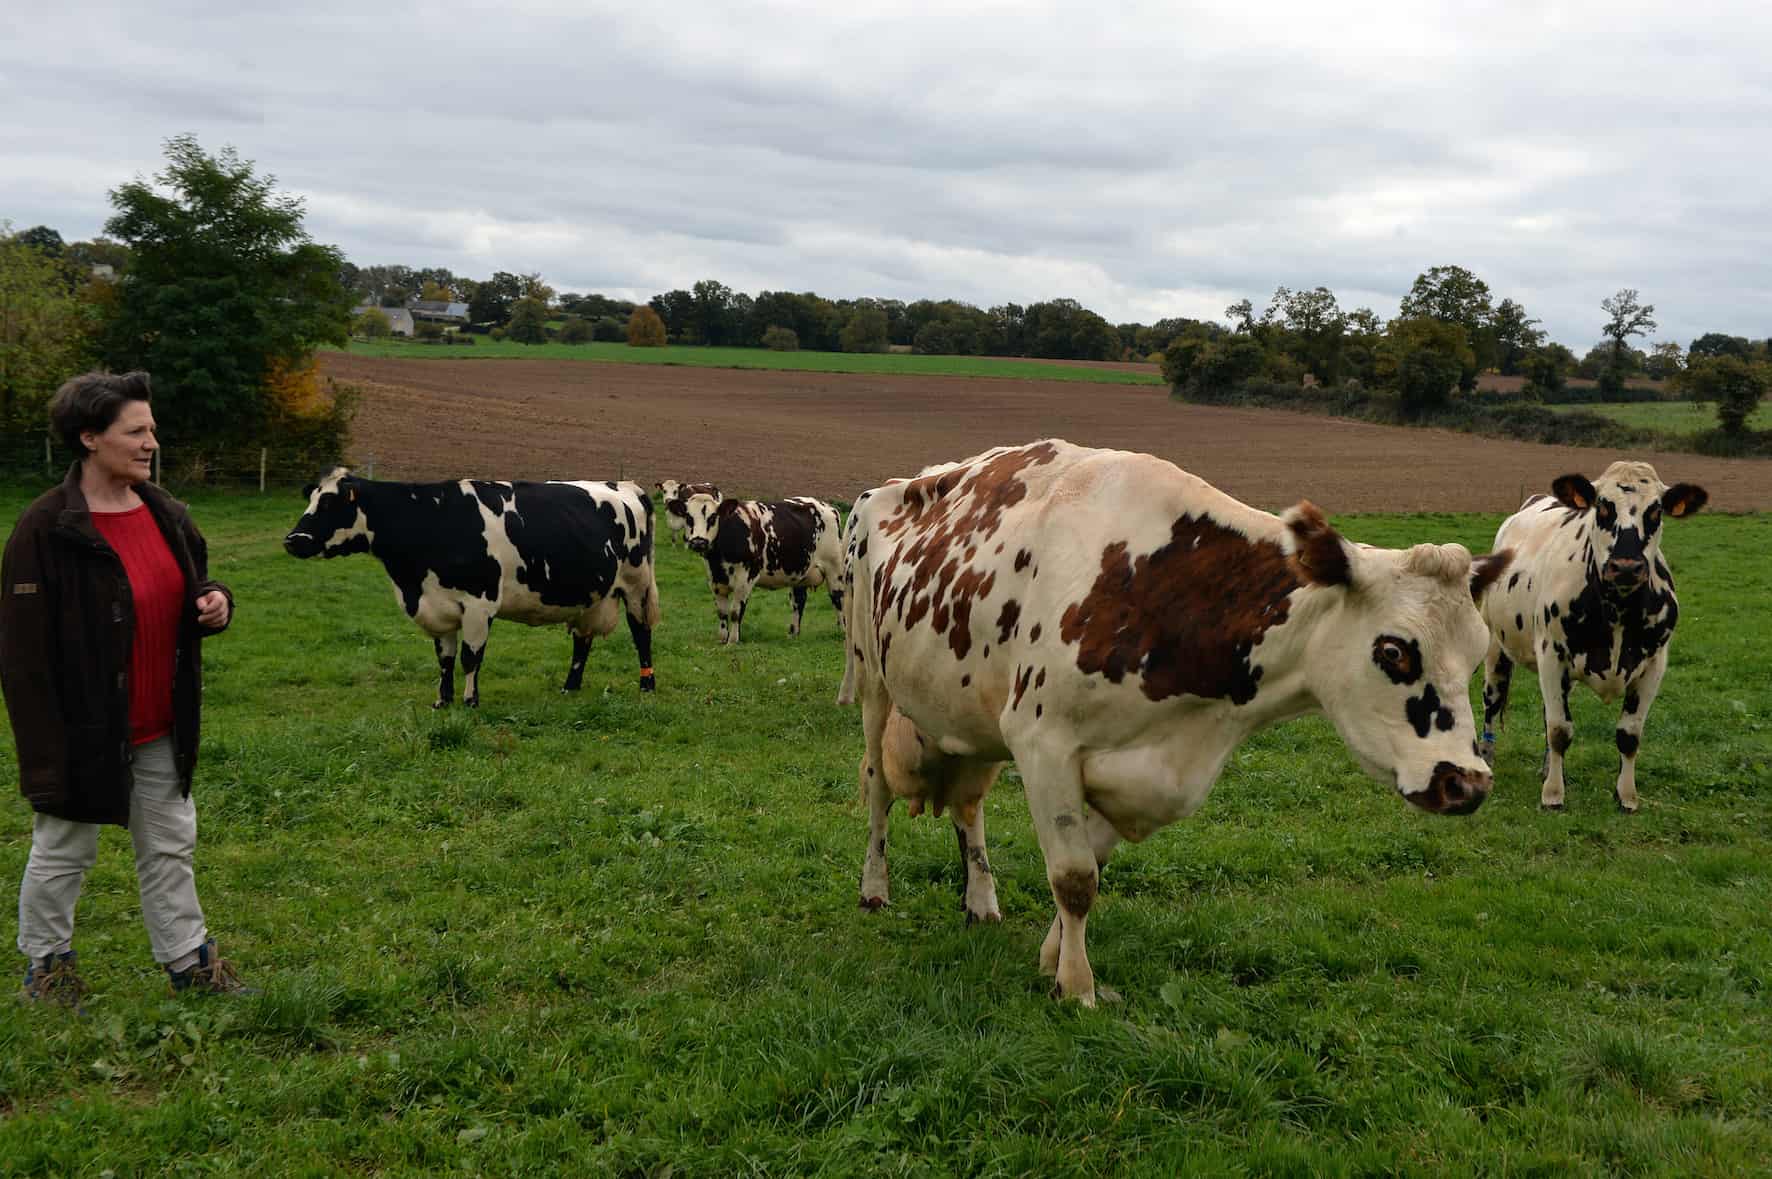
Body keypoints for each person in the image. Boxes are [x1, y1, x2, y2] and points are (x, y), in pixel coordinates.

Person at [1, 371, 246, 1006]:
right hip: (80, 727)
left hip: (161, 722)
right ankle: (48, 972)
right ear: (89, 438)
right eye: (135, 431)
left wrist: (215, 601)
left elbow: (193, 584)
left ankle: (190, 963)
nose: (150, 443)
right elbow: (22, 655)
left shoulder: (166, 512)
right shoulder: (47, 528)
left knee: (170, 845)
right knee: (63, 849)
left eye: (151, 429)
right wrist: (46, 747)